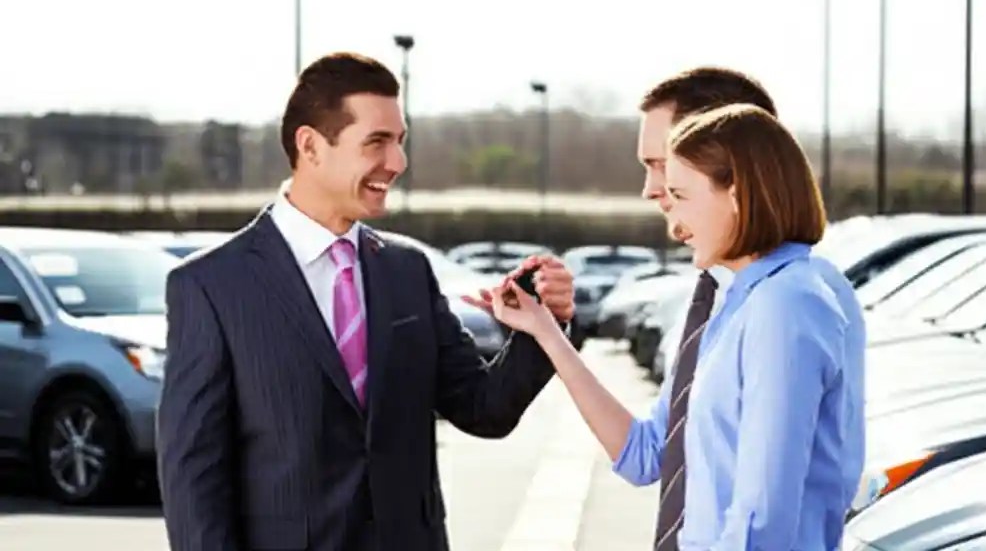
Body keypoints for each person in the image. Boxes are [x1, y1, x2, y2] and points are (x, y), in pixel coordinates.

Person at [156, 52, 576, 551]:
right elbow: (194, 480)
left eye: (400, 142)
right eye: (377, 142)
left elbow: (485, 409)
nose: (397, 163)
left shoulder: (407, 271)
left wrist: (541, 327)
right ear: (310, 145)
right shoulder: (210, 287)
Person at [486, 102, 867, 551]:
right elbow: (644, 453)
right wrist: (546, 332)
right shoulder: (739, 304)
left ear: (738, 194)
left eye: (682, 197)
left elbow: (761, 522)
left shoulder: (785, 303)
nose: (676, 227)